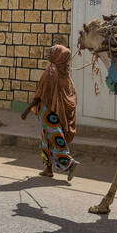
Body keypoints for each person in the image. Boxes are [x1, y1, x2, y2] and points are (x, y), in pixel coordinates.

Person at [21, 44, 79, 181]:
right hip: (60, 113)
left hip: (49, 112)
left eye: (52, 52)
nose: (49, 54)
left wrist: (27, 110)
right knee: (47, 140)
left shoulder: (51, 72)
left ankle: (69, 163)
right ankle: (48, 169)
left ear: (58, 56)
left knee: (54, 139)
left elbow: (39, 94)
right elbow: (71, 95)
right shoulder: (65, 72)